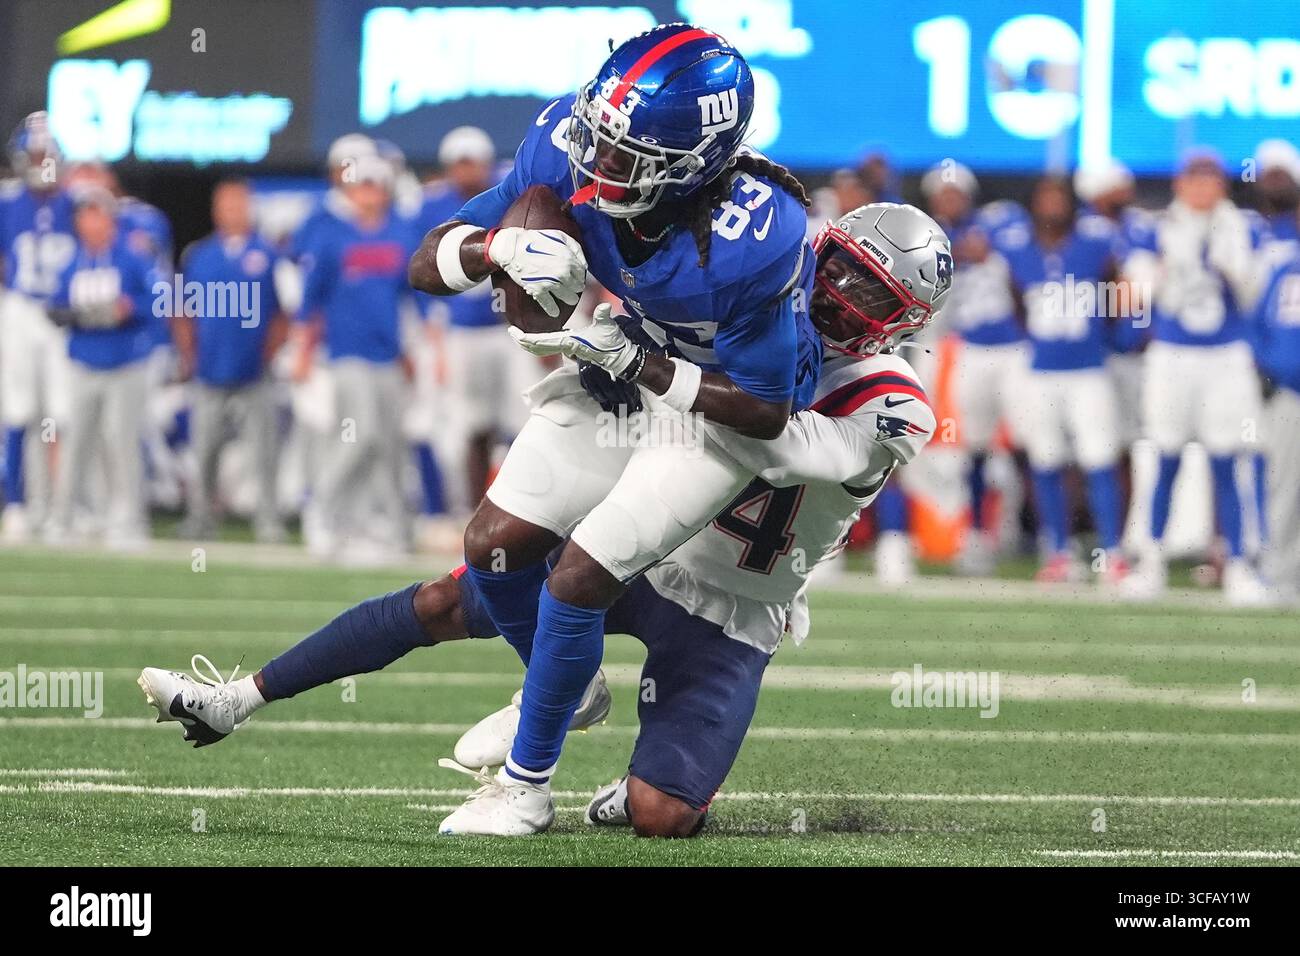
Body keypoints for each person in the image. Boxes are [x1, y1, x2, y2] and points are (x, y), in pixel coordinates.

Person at [136, 202, 948, 838]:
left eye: (874, 292)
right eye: (843, 268)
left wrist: (646, 365)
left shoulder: (893, 399)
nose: (843, 295)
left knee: (663, 814)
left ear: (903, 320)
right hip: (649, 545)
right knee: (451, 594)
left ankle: (605, 746)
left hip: (736, 609)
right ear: (821, 248)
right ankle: (237, 698)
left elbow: (780, 442)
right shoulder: (746, 312)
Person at [407, 23, 824, 832]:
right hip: (626, 368)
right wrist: (496, 248)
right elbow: (426, 260)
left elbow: (768, 410)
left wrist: (645, 367)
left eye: (626, 157)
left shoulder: (751, 235)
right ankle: (567, 682)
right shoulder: (564, 147)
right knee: (492, 539)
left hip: (716, 411)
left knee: (581, 573)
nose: (596, 167)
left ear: (694, 164)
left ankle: (525, 789)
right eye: (599, 138)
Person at [1120, 150, 1270, 604]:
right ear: (1180, 184)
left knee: (1228, 459)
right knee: (1166, 456)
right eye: (1194, 178)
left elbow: (1254, 291)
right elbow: (1133, 295)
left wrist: (1232, 264)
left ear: (1222, 185)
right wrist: (1162, 270)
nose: (1202, 188)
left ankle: (1239, 564)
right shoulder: (1156, 225)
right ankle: (1152, 561)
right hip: (1173, 353)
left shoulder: (1245, 226)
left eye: (1210, 179)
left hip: (1226, 354)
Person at [997, 177, 1128, 584]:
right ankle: (1058, 551)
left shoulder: (1095, 243)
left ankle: (1113, 553)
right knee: (1046, 461)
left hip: (1089, 369)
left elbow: (1116, 290)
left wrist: (1108, 338)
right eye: (1045, 196)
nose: (1052, 204)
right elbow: (1017, 301)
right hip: (1041, 371)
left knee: (1100, 461)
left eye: (1059, 197)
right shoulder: (1018, 248)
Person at [294, 154, 422, 560]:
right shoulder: (332, 237)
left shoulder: (402, 235)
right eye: (360, 185)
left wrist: (416, 351)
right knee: (358, 435)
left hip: (388, 355)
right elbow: (309, 303)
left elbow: (412, 299)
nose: (367, 193)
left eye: (374, 185)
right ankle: (321, 511)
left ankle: (372, 522)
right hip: (347, 355)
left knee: (387, 445)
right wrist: (302, 352)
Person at [923, 161, 1029, 576]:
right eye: (943, 195)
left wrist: (993, 251)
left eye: (956, 193)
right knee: (976, 446)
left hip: (1016, 349)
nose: (950, 201)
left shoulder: (1001, 224)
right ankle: (980, 535)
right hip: (969, 350)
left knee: (1030, 442)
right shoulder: (929, 241)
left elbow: (1027, 261)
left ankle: (1036, 531)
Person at [43, 186, 157, 546]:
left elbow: (155, 301)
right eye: (84, 215)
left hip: (124, 364)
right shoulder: (72, 261)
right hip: (84, 363)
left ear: (110, 218)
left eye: (96, 214)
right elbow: (55, 307)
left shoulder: (131, 256)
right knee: (76, 444)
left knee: (121, 445)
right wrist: (77, 314)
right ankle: (64, 517)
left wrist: (126, 308)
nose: (89, 222)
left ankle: (130, 522)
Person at [175, 179, 287, 541]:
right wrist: (188, 354)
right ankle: (200, 517)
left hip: (255, 369)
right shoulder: (199, 255)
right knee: (204, 448)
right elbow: (182, 310)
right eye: (225, 205)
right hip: (209, 368)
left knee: (264, 449)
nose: (232, 212)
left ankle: (268, 519)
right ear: (215, 210)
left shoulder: (269, 255)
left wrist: (269, 352)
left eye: (238, 204)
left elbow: (283, 313)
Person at [0, 112, 76, 541]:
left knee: (61, 414)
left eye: (46, 154)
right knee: (18, 412)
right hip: (20, 310)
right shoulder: (9, 201)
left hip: (61, 317)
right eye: (35, 154)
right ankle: (17, 504)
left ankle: (61, 510)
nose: (41, 161)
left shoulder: (75, 201)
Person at [1252, 233, 1300, 601]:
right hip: (1290, 393)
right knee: (1284, 486)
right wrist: (1268, 370)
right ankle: (1282, 576)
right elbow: (1257, 326)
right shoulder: (1285, 266)